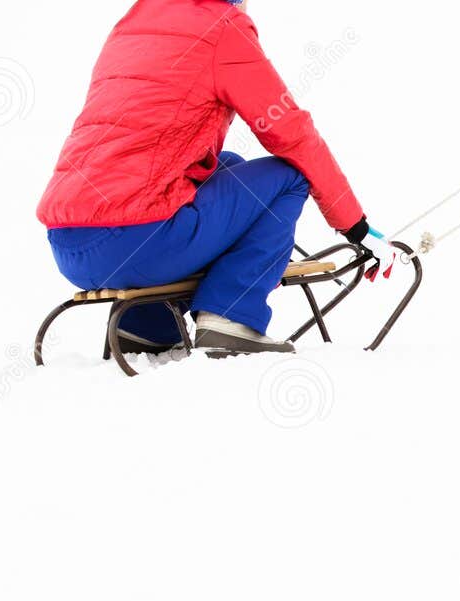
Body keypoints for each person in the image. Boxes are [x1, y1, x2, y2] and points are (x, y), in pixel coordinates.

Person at [37, 0, 396, 357]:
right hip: (136, 243)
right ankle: (230, 317)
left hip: (70, 246)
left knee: (228, 169)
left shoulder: (133, 22)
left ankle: (148, 327)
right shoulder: (222, 27)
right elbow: (291, 133)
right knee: (289, 176)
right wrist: (356, 227)